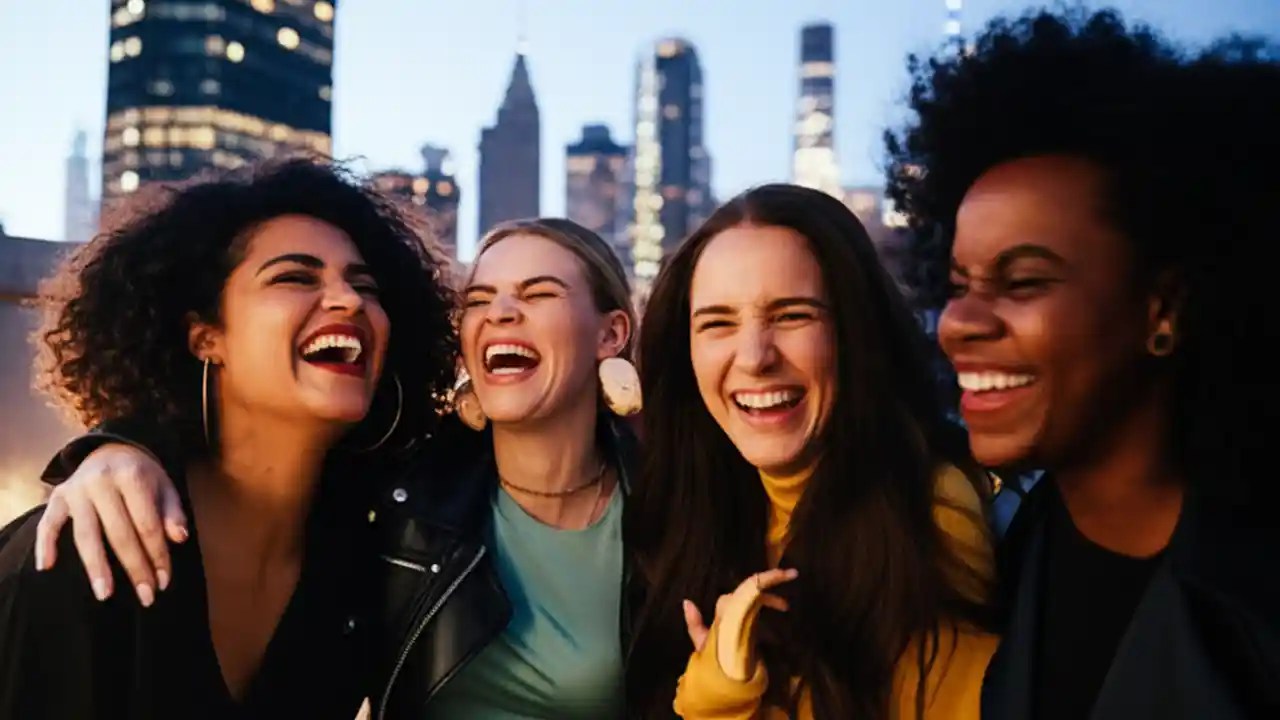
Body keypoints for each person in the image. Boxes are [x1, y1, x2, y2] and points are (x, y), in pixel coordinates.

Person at [26, 217, 644, 718]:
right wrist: (115, 447)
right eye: (478, 300)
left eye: (538, 294)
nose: (501, 313)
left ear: (611, 333)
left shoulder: (670, 506)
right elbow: (254, 447)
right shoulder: (404, 492)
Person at [885, 8, 1280, 719]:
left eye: (1024, 281)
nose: (961, 323)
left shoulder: (1253, 608)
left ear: (1163, 309)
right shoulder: (1014, 546)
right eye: (958, 286)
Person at [0, 159, 458, 718]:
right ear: (205, 338)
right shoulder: (85, 547)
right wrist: (108, 446)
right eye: (295, 277)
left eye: (365, 285)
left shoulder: (364, 567)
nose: (350, 300)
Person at [625, 184, 998, 719]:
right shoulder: (695, 508)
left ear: (854, 332)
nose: (755, 357)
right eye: (718, 323)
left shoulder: (929, 514)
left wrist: (714, 701)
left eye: (792, 315)